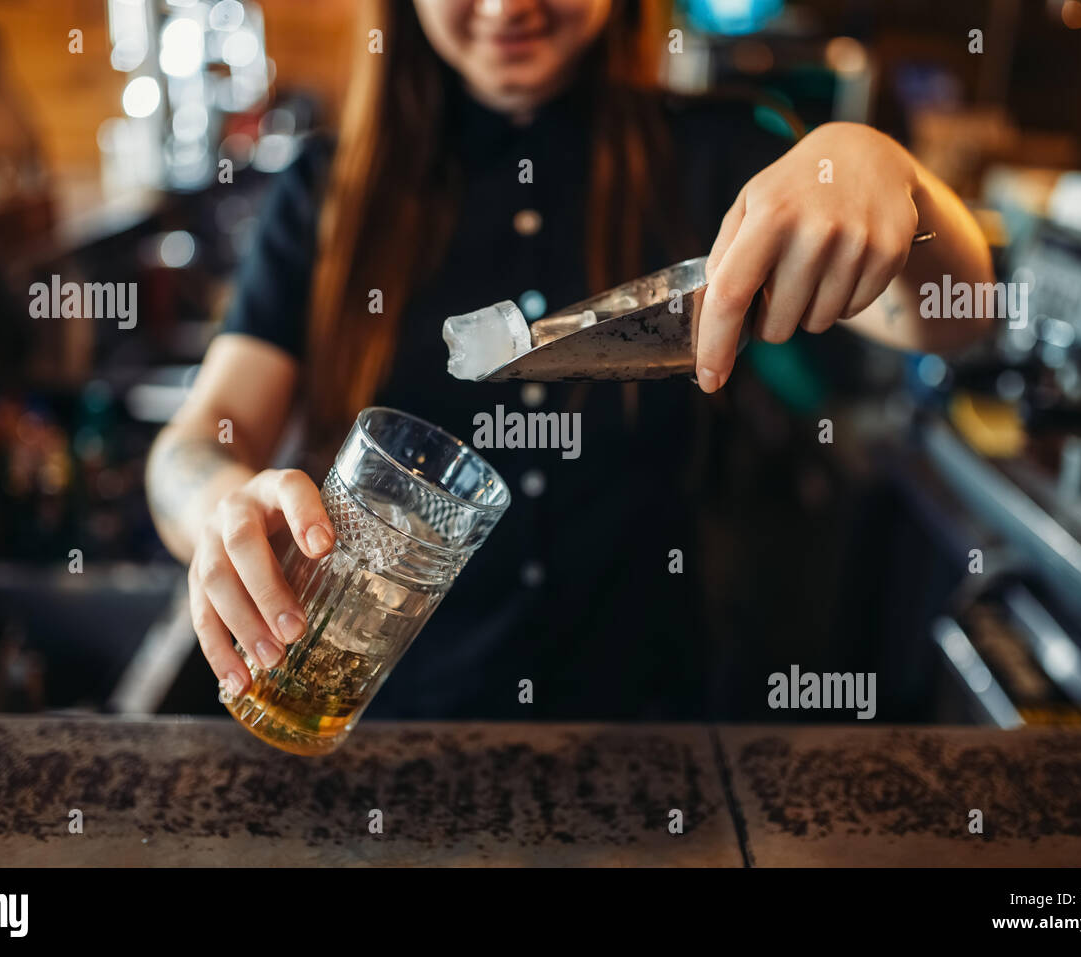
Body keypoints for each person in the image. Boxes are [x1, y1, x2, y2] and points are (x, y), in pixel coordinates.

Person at [146, 0, 993, 721]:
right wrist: (220, 505)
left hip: (654, 740)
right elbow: (196, 442)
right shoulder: (327, 191)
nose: (508, 6)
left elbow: (961, 316)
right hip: (392, 747)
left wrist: (886, 171)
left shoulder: (722, 149)